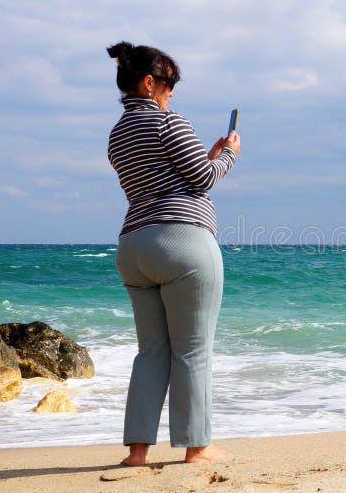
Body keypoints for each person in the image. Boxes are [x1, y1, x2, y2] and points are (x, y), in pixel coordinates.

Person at [106, 41, 240, 465]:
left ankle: (137, 452)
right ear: (149, 83)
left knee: (151, 351)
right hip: (183, 242)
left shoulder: (116, 135)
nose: (172, 93)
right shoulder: (169, 123)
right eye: (168, 84)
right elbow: (200, 180)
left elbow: (160, 178)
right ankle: (197, 448)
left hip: (133, 246)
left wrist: (208, 156)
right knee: (193, 349)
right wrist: (229, 156)